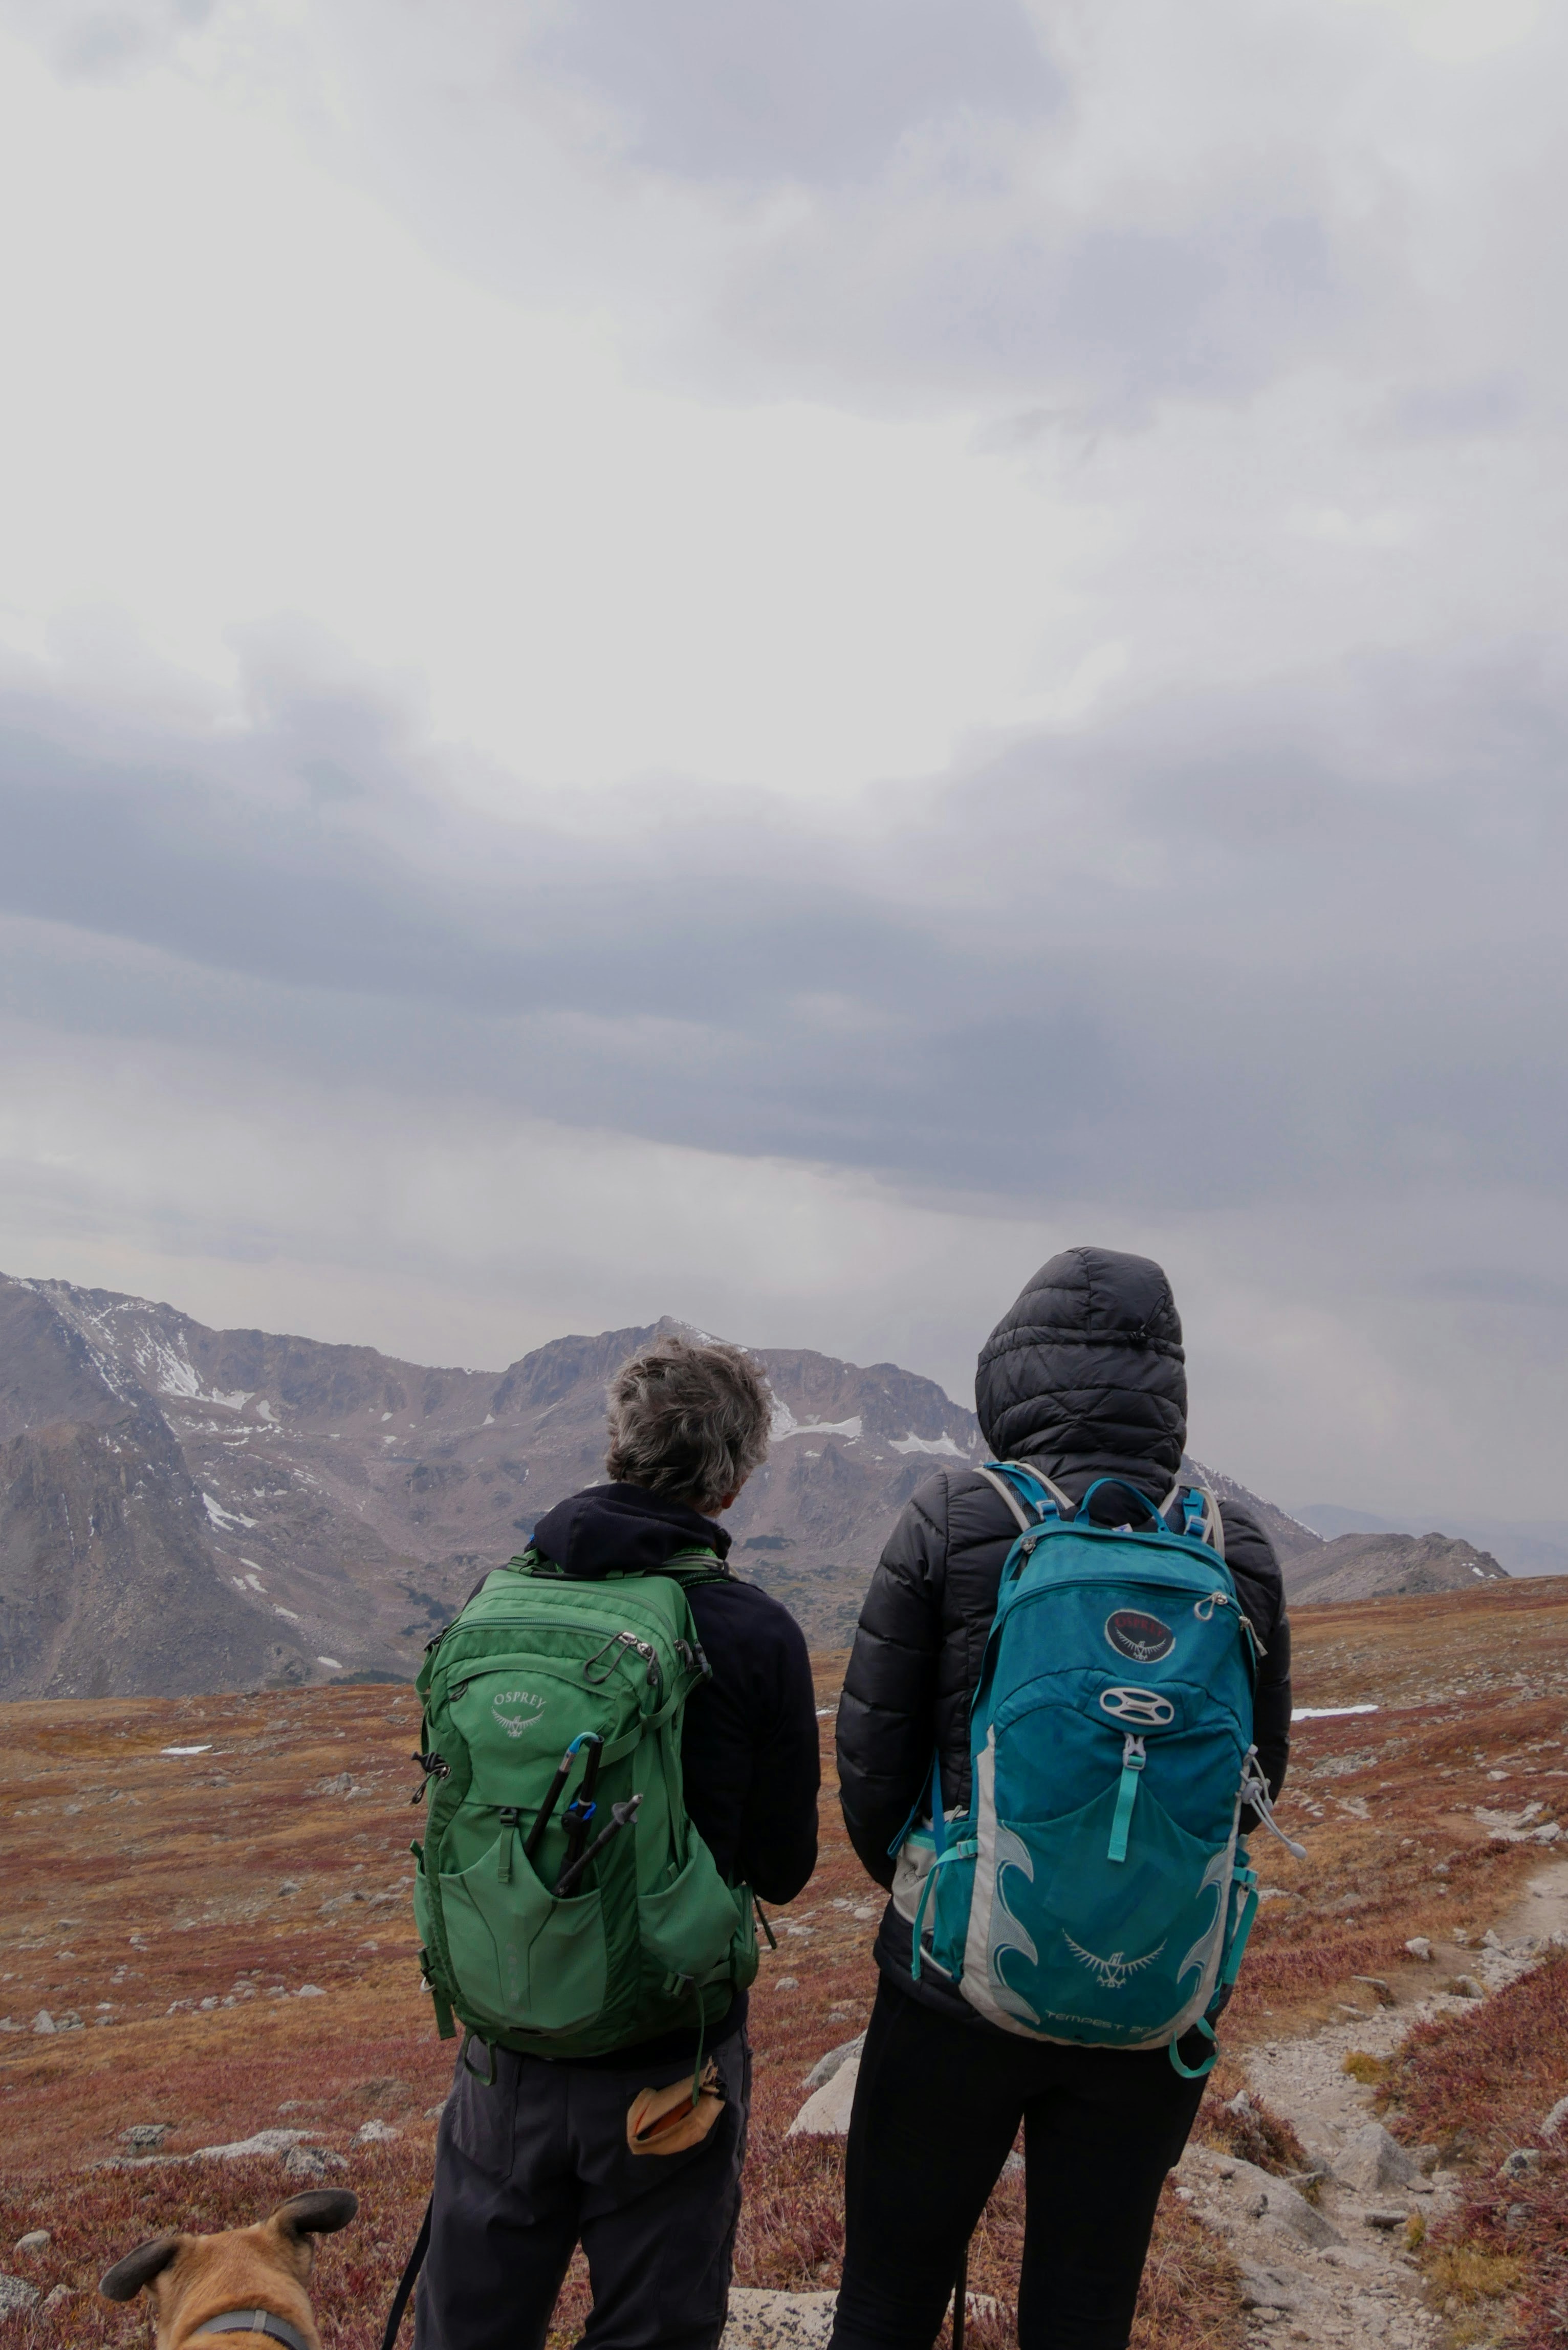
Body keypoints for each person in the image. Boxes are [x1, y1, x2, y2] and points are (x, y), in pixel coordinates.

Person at [832, 1247, 1292, 2350]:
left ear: (1010, 1370)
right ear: (1168, 1382)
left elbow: (868, 1767)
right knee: (1082, 2320)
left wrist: (947, 1893)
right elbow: (1251, 1782)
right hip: (1149, 1996)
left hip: (952, 1983)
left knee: (886, 2303)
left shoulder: (953, 1513)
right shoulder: (1236, 1546)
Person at [416, 1335, 820, 2350]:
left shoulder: (497, 1601)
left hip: (505, 2041)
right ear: (730, 1478)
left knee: (470, 2325)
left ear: (615, 1446)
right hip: (664, 2055)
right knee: (652, 2328)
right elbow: (782, 1867)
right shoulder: (752, 1631)